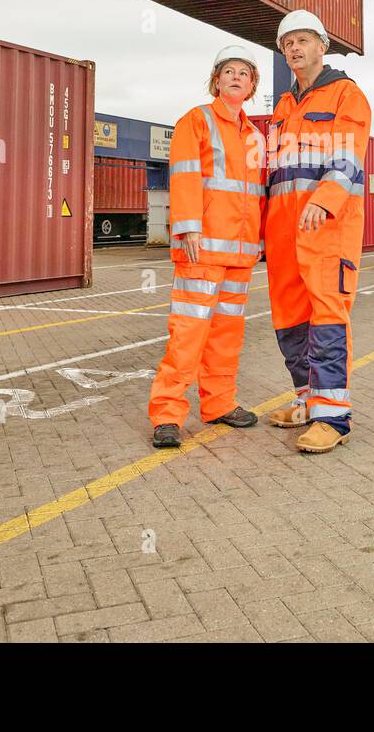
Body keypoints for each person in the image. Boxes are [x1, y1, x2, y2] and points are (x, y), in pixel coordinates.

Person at [263, 9, 372, 454]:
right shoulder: (285, 107)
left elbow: (348, 158)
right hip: (284, 231)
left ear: (322, 46)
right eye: (287, 43)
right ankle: (308, 400)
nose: (294, 48)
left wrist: (323, 202)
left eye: (302, 40)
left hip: (327, 226)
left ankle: (333, 417)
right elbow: (272, 172)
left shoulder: (347, 95)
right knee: (290, 318)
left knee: (327, 317)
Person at [147, 46, 267, 449]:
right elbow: (184, 176)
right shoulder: (196, 121)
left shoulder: (254, 135)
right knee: (188, 334)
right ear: (216, 80)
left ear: (252, 87)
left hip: (240, 253)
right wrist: (187, 228)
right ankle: (167, 415)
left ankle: (219, 404)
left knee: (227, 334)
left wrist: (260, 241)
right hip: (202, 249)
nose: (236, 78)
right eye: (228, 71)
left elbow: (256, 194)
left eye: (244, 74)